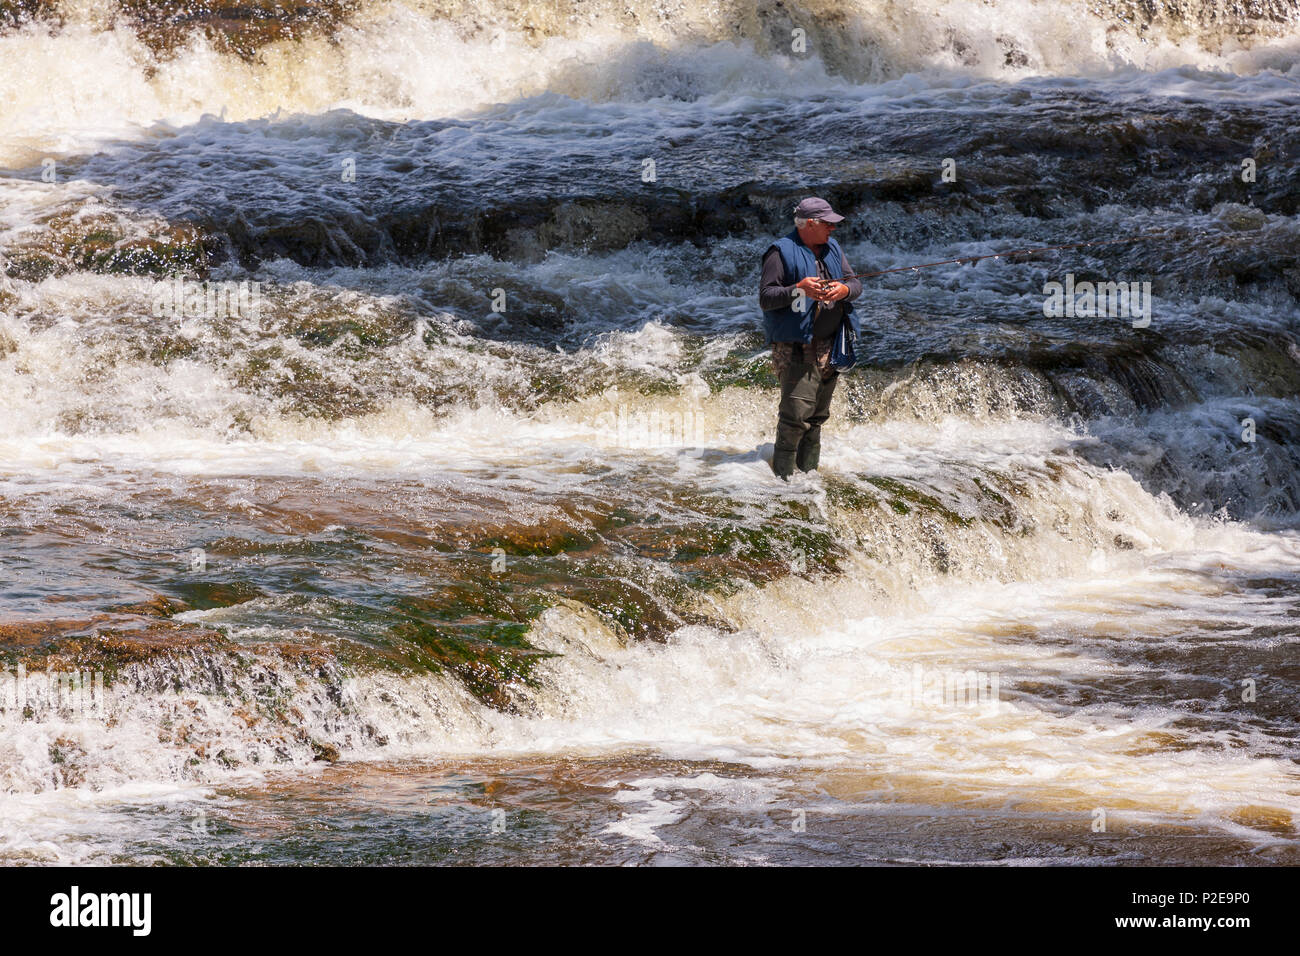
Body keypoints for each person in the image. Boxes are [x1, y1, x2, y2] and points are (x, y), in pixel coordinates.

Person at [758, 197, 863, 479]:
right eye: (828, 224)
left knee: (816, 418)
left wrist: (843, 290)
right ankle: (783, 483)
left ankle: (808, 480)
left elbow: (855, 283)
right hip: (796, 348)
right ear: (811, 224)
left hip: (831, 346)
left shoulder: (833, 247)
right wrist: (799, 289)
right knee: (794, 419)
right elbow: (766, 298)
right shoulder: (779, 253)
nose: (833, 228)